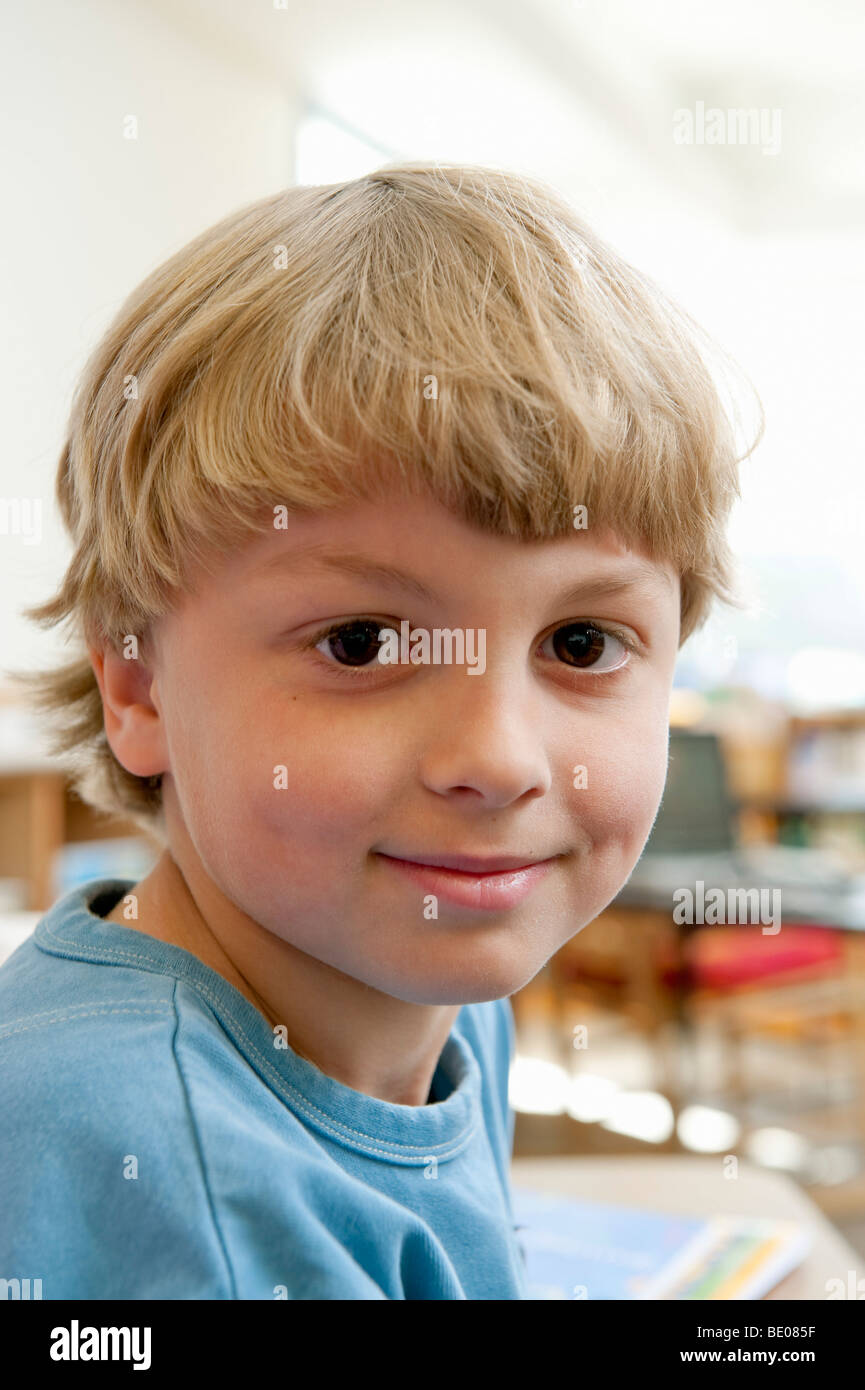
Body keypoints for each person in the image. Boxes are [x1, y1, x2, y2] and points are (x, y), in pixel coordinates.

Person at [0, 163, 756, 1298]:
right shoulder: (159, 1161)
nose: (497, 760)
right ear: (138, 687)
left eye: (583, 644)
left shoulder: (433, 987)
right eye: (360, 642)